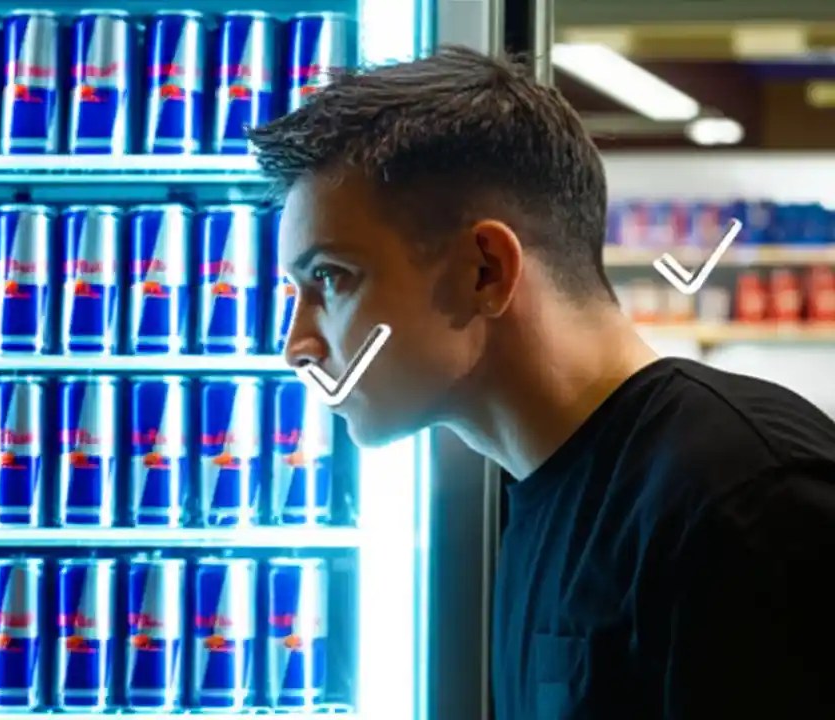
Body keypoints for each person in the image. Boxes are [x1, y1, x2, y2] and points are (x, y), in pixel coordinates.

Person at [248, 45, 835, 719]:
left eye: (332, 279)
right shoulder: (538, 489)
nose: (297, 345)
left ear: (485, 271)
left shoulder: (747, 500)